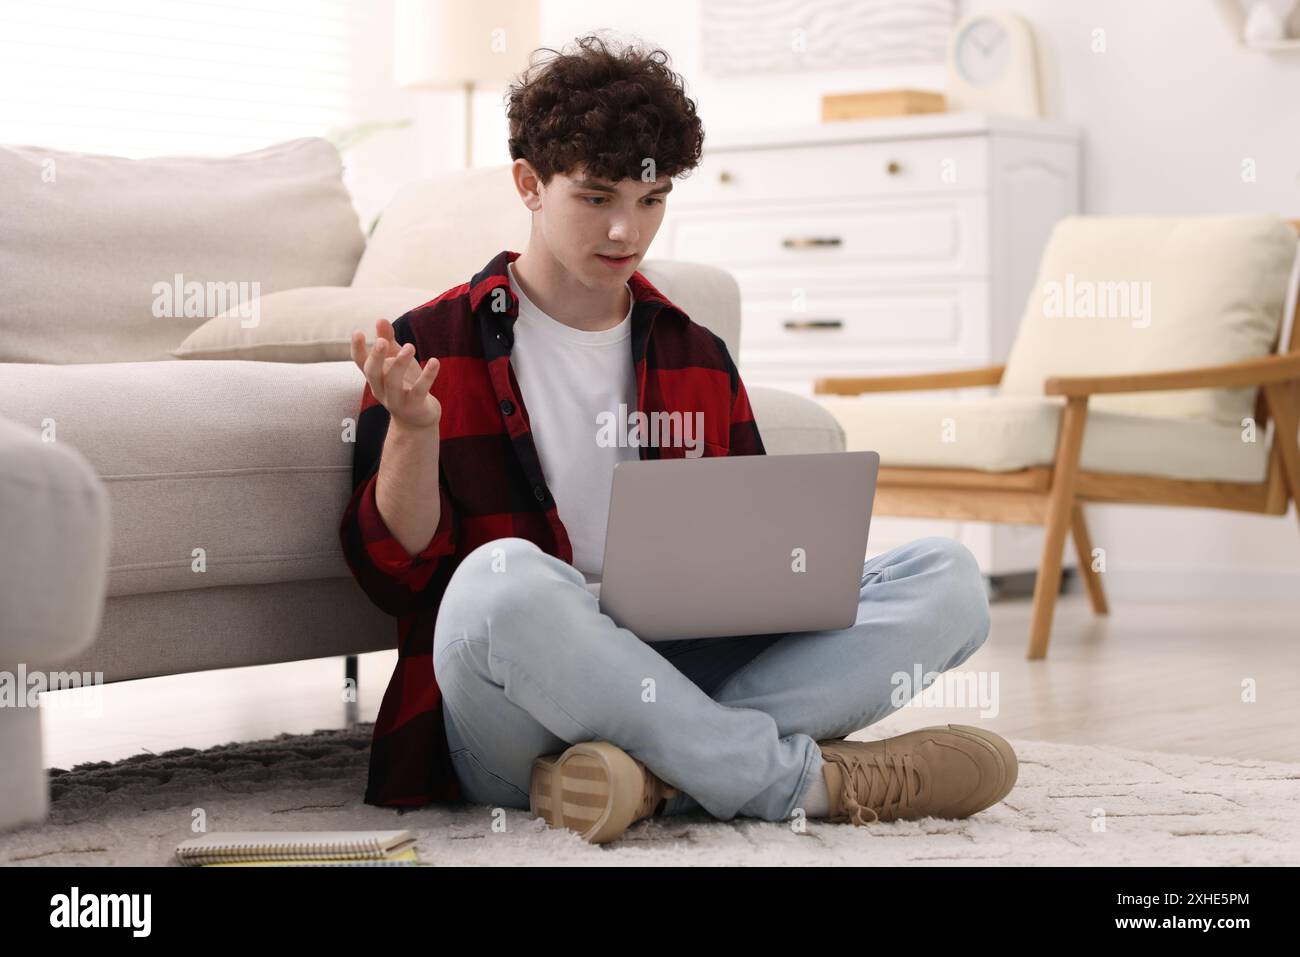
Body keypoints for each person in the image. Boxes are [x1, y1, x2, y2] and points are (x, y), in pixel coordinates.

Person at [339, 34, 1015, 845]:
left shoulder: (694, 352)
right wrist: (414, 430)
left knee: (949, 579)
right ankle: (795, 780)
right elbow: (397, 572)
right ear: (529, 184)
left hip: (682, 668)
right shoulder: (430, 343)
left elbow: (757, 568)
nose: (627, 229)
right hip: (514, 708)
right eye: (596, 198)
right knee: (497, 582)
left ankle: (645, 779)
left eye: (651, 198)